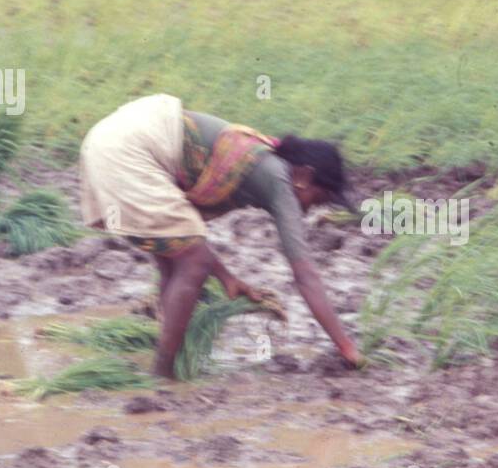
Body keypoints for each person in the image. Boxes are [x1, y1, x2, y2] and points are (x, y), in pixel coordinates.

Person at [80, 93, 364, 378]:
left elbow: (186, 242)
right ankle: (163, 373)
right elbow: (306, 276)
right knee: (193, 264)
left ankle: (168, 358)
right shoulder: (279, 180)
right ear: (304, 176)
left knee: (176, 261)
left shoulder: (259, 159)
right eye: (317, 199)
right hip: (129, 152)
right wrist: (347, 347)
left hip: (107, 141)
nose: (309, 210)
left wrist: (227, 278)